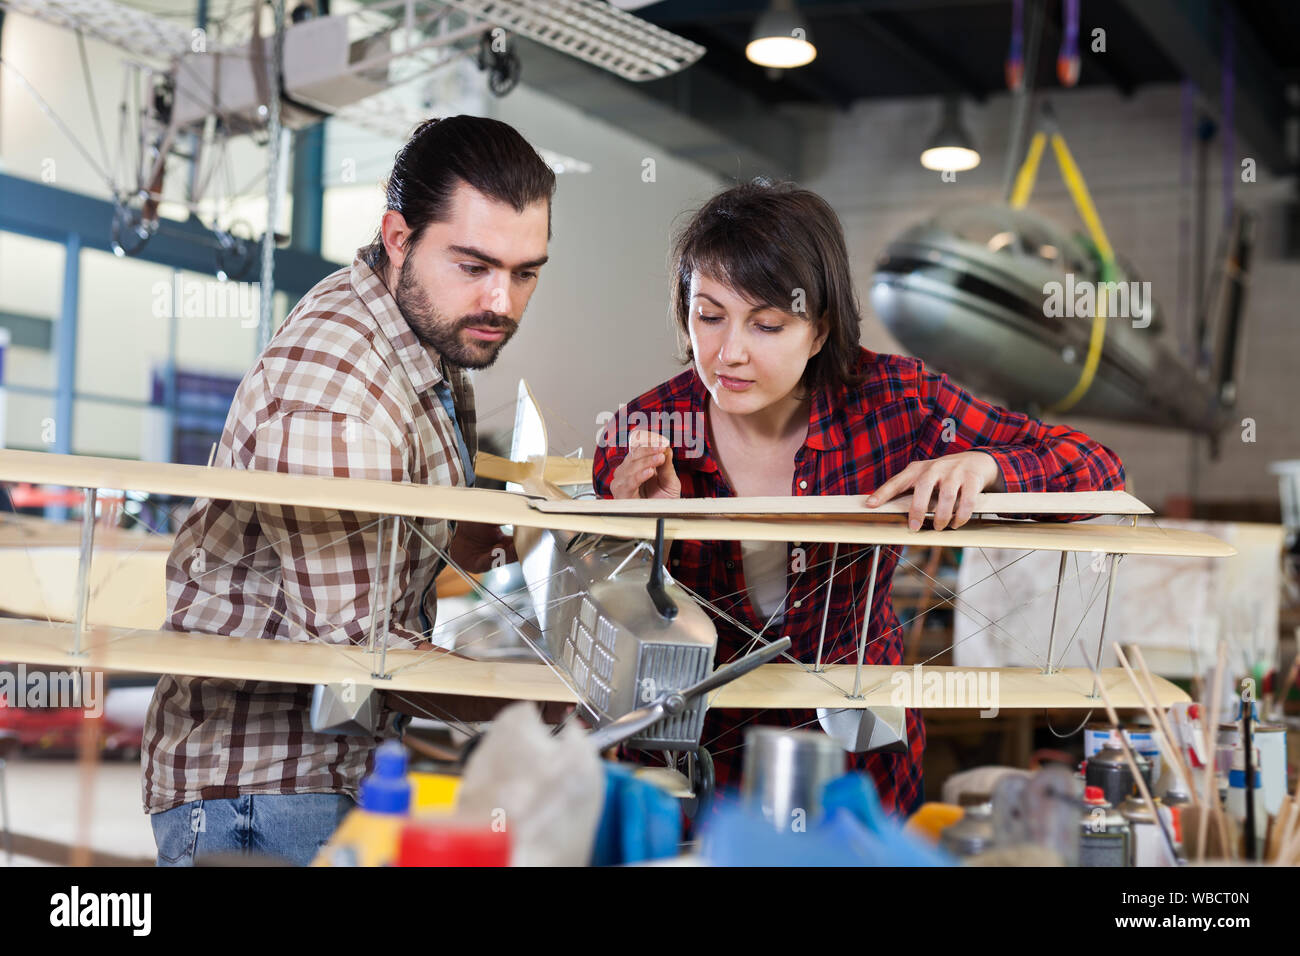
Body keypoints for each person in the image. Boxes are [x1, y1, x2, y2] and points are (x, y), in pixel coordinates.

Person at [591, 180, 1125, 815]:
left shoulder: (897, 401)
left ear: (819, 331)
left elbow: (1100, 470)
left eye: (766, 324)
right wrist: (627, 524)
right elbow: (606, 606)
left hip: (857, 760)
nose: (728, 353)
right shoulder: (643, 436)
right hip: (693, 763)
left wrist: (983, 466)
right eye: (708, 316)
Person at [143, 115, 555, 865]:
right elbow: (358, 655)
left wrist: (536, 531)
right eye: (475, 266)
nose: (502, 301)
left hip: (333, 769)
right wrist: (553, 707)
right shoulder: (339, 386)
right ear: (398, 237)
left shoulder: (428, 336)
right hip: (261, 792)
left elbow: (410, 536)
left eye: (526, 272)